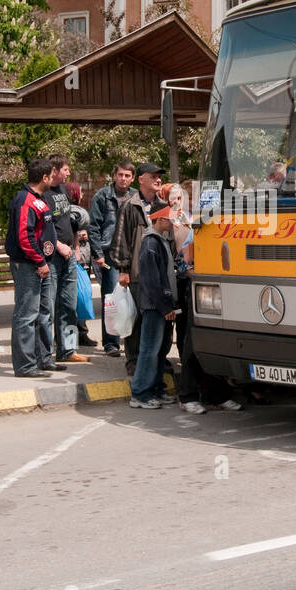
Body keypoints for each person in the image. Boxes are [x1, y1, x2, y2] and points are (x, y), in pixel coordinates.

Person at [168, 182, 243, 415]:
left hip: (215, 286)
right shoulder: (183, 224)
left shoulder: (209, 221)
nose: (176, 203)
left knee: (217, 342)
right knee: (193, 343)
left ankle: (216, 395)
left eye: (180, 198)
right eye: (172, 198)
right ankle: (188, 395)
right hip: (194, 287)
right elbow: (186, 265)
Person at [5, 157, 59, 379]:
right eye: (52, 175)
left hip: (41, 264)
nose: (54, 179)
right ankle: (25, 365)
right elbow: (24, 236)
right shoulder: (25, 200)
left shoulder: (39, 199)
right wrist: (39, 261)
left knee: (42, 313)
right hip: (29, 265)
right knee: (26, 315)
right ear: (44, 177)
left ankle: (42, 359)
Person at [108, 161, 162, 378]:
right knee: (136, 320)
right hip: (138, 274)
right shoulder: (130, 206)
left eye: (160, 176)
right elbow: (120, 238)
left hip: (159, 275)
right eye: (154, 176)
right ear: (141, 180)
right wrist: (122, 268)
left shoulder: (163, 205)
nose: (158, 180)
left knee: (158, 322)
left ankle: (157, 359)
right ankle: (133, 361)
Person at [129, 199, 178, 409]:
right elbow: (151, 281)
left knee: (160, 350)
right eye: (169, 217)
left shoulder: (161, 240)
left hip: (163, 306)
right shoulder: (151, 243)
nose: (172, 221)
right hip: (155, 307)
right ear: (159, 218)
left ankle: (156, 388)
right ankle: (140, 393)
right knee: (149, 350)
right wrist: (165, 307)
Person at [44, 154, 90, 365]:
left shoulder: (62, 191)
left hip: (70, 256)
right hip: (52, 258)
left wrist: (75, 245)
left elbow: (67, 221)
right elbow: (44, 226)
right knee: (49, 307)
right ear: (54, 170)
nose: (68, 173)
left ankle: (68, 349)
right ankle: (45, 353)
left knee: (69, 306)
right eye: (65, 169)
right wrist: (58, 245)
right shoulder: (43, 194)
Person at [88, 159, 135, 357]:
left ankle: (131, 339)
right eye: (120, 174)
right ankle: (111, 342)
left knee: (134, 297)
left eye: (127, 175)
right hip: (110, 253)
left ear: (132, 178)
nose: (123, 178)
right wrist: (98, 254)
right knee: (112, 298)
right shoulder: (103, 196)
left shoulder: (136, 196)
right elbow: (94, 226)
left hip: (133, 252)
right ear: (114, 175)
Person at [66, 181, 98, 348]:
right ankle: (69, 340)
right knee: (72, 301)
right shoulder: (74, 212)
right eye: (80, 192)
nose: (83, 194)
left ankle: (81, 334)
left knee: (82, 299)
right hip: (74, 261)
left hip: (83, 262)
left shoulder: (78, 211)